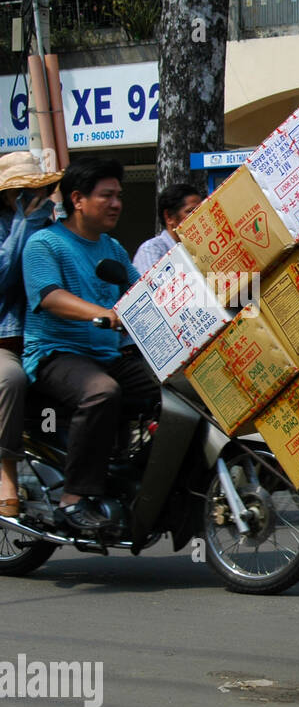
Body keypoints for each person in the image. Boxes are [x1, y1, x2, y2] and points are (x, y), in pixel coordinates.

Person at [21, 156, 158, 532]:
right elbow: (49, 296)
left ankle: (140, 480)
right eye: (107, 195)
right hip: (56, 353)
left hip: (106, 354)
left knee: (175, 391)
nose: (116, 203)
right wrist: (105, 313)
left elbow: (142, 291)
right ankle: (73, 499)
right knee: (101, 392)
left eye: (119, 196)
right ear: (78, 199)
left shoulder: (112, 248)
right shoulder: (45, 243)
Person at [0, 153, 60, 519]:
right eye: (22, 192)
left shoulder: (53, 226)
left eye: (36, 190)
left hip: (49, 336)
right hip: (7, 340)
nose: (30, 197)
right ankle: (5, 472)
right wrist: (24, 224)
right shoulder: (12, 225)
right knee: (12, 379)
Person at [132, 182, 202, 274]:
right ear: (169, 217)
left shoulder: (199, 250)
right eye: (190, 212)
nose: (198, 217)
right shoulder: (152, 249)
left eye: (200, 211)